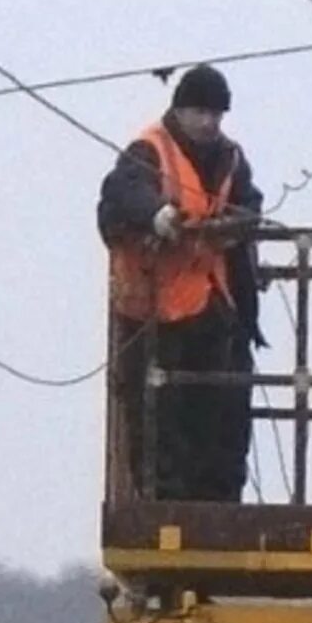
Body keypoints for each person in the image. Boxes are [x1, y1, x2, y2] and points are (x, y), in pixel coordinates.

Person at [97, 64, 265, 501]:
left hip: (215, 307)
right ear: (180, 110)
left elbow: (249, 203)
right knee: (160, 422)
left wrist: (238, 225)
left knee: (224, 413)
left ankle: (219, 507)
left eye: (216, 114)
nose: (209, 122)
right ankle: (167, 507)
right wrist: (157, 215)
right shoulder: (150, 149)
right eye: (200, 112)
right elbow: (121, 195)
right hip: (157, 315)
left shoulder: (230, 158)